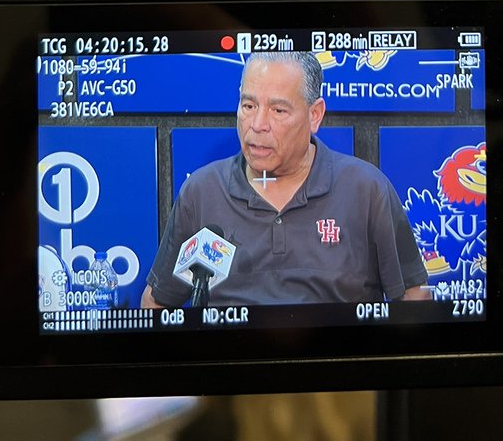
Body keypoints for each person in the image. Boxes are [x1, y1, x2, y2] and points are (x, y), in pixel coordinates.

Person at [141, 52, 429, 307]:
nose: (257, 125)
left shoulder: (366, 190)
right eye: (248, 106)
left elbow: (413, 297)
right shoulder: (203, 192)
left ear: (315, 115)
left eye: (278, 110)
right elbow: (157, 302)